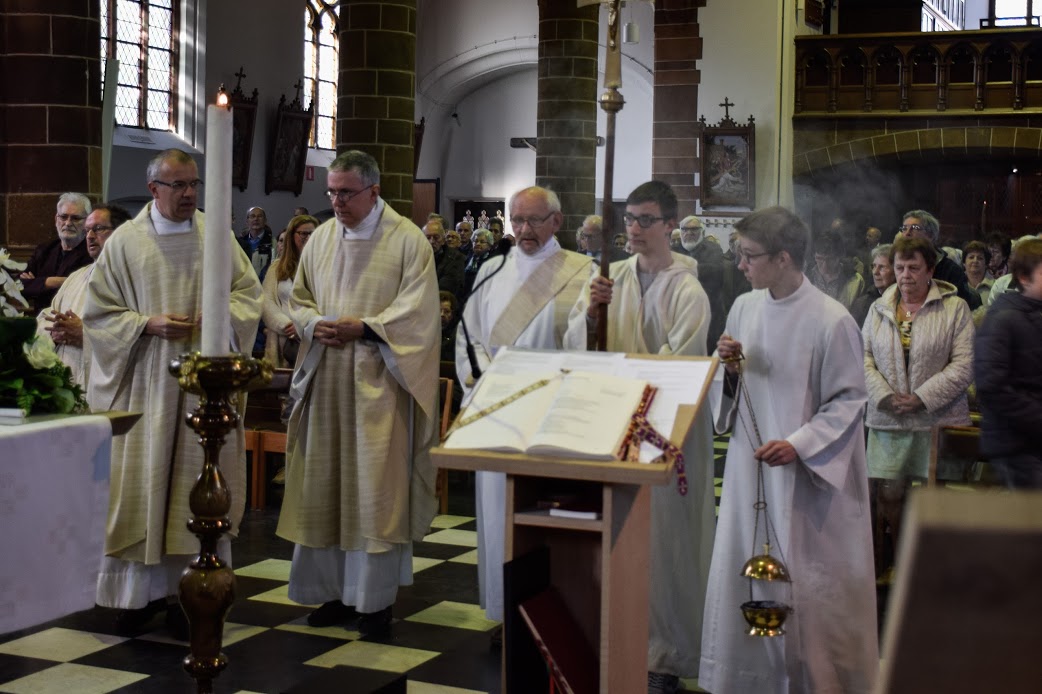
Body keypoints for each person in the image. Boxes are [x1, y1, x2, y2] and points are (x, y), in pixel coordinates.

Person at [83, 148, 262, 639]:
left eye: (193, 185)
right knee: (144, 487)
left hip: (204, 388)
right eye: (177, 185)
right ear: (153, 189)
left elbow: (250, 295)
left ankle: (197, 592)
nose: (188, 194)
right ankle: (139, 597)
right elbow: (97, 312)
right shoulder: (124, 244)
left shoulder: (215, 237)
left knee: (195, 489)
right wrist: (146, 324)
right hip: (147, 384)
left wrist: (221, 318)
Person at [700, 206, 877, 694]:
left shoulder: (831, 320)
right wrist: (730, 370)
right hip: (749, 468)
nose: (740, 265)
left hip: (805, 482)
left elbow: (849, 401)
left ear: (782, 258)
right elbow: (732, 389)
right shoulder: (744, 307)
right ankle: (750, 680)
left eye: (749, 256)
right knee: (748, 573)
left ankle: (809, 681)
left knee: (806, 587)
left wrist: (798, 445)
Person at [276, 150, 440, 638]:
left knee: (374, 493)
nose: (336, 201)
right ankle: (331, 594)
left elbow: (419, 312)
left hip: (380, 383)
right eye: (331, 192)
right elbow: (297, 298)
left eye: (345, 193)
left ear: (373, 190)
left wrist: (365, 327)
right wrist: (311, 323)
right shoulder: (322, 236)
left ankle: (373, 601)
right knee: (325, 488)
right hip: (326, 381)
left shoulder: (408, 241)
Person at [564, 181, 713, 693]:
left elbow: (681, 361)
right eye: (628, 218)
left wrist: (629, 390)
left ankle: (665, 657)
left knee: (664, 543)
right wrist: (590, 313)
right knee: (617, 538)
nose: (633, 228)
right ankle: (619, 643)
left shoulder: (688, 288)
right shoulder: (609, 278)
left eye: (646, 219)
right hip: (614, 426)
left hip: (664, 430)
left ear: (671, 224)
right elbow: (576, 344)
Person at [455, 186, 592, 625]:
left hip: (551, 412)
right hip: (498, 408)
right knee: (499, 517)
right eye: (517, 220)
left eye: (533, 220)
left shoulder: (580, 271)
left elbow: (581, 341)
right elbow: (468, 334)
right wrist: (484, 383)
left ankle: (553, 617)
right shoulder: (493, 269)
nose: (524, 230)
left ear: (557, 221)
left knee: (545, 517)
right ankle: (504, 612)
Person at [862, 235, 974, 581]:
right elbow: (863, 358)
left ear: (930, 271)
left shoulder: (955, 308)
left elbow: (964, 364)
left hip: (935, 418)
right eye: (899, 267)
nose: (905, 275)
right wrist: (884, 395)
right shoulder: (878, 307)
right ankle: (891, 562)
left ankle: (930, 566)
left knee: (932, 494)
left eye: (914, 267)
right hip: (889, 417)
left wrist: (922, 397)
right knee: (889, 493)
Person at [36, 204, 131, 386]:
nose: (90, 236)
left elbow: (136, 331)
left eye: (98, 229)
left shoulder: (131, 277)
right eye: (87, 230)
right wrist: (55, 331)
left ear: (121, 232)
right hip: (67, 380)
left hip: (107, 382)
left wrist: (86, 335)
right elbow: (47, 316)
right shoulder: (76, 277)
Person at [975, 237, 1042, 489]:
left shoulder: (1033, 314)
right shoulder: (1003, 319)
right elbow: (992, 386)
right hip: (1016, 444)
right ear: (1024, 278)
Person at [20, 193, 94, 311]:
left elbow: (86, 289)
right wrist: (54, 282)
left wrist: (38, 283)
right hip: (40, 322)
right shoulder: (44, 250)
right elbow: (19, 286)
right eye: (63, 217)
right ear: (56, 219)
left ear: (88, 222)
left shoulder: (92, 253)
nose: (68, 223)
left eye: (75, 218)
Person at [262, 214, 318, 368]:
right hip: (282, 338)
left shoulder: (322, 267)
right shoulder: (277, 267)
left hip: (311, 336)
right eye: (303, 233)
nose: (308, 238)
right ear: (292, 236)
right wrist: (285, 325)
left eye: (312, 233)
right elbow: (266, 301)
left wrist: (303, 324)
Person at [898, 210, 980, 309]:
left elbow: (959, 311)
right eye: (904, 228)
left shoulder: (950, 271)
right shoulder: (895, 266)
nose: (907, 233)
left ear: (931, 235)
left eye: (915, 228)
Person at [679, 215, 726, 351]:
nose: (689, 233)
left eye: (694, 229)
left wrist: (683, 268)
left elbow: (715, 270)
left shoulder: (713, 248)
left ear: (702, 232)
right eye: (685, 229)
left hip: (710, 312)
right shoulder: (674, 249)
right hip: (682, 313)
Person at [807, 229, 864, 311]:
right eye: (819, 259)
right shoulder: (806, 277)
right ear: (814, 256)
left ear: (840, 256)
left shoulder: (855, 281)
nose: (824, 266)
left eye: (830, 259)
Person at [850, 243, 895, 328]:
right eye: (874, 266)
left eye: (882, 267)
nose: (875, 272)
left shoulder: (906, 303)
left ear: (896, 270)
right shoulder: (861, 304)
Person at [425, 220, 466, 299]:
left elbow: (447, 287)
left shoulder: (455, 258)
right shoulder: (417, 256)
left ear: (443, 240)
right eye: (428, 237)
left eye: (436, 237)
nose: (432, 241)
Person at [238, 206, 274, 277]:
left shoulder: (272, 242)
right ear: (247, 221)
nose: (256, 219)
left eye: (260, 216)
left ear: (265, 220)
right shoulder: (240, 242)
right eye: (252, 216)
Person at [462, 228, 494, 298]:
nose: (478, 244)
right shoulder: (467, 258)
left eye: (482, 242)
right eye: (475, 241)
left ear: (489, 246)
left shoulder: (492, 262)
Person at [963, 240, 993, 306]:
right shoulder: (957, 284)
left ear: (986, 264)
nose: (975, 260)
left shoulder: (995, 286)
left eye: (980, 258)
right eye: (971, 257)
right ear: (964, 263)